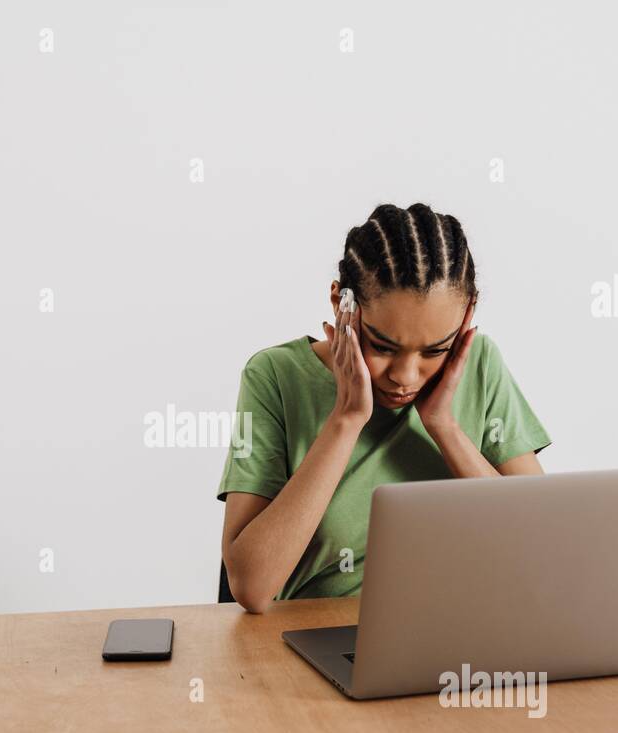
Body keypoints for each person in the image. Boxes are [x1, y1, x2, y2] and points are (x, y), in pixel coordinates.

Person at [217, 202, 551, 613]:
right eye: (383, 346)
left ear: (468, 315)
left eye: (435, 350)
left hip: (464, 633)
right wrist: (346, 419)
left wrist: (444, 425)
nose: (407, 376)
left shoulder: (479, 362)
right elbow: (251, 586)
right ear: (342, 304)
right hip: (318, 639)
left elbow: (541, 549)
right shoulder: (275, 375)